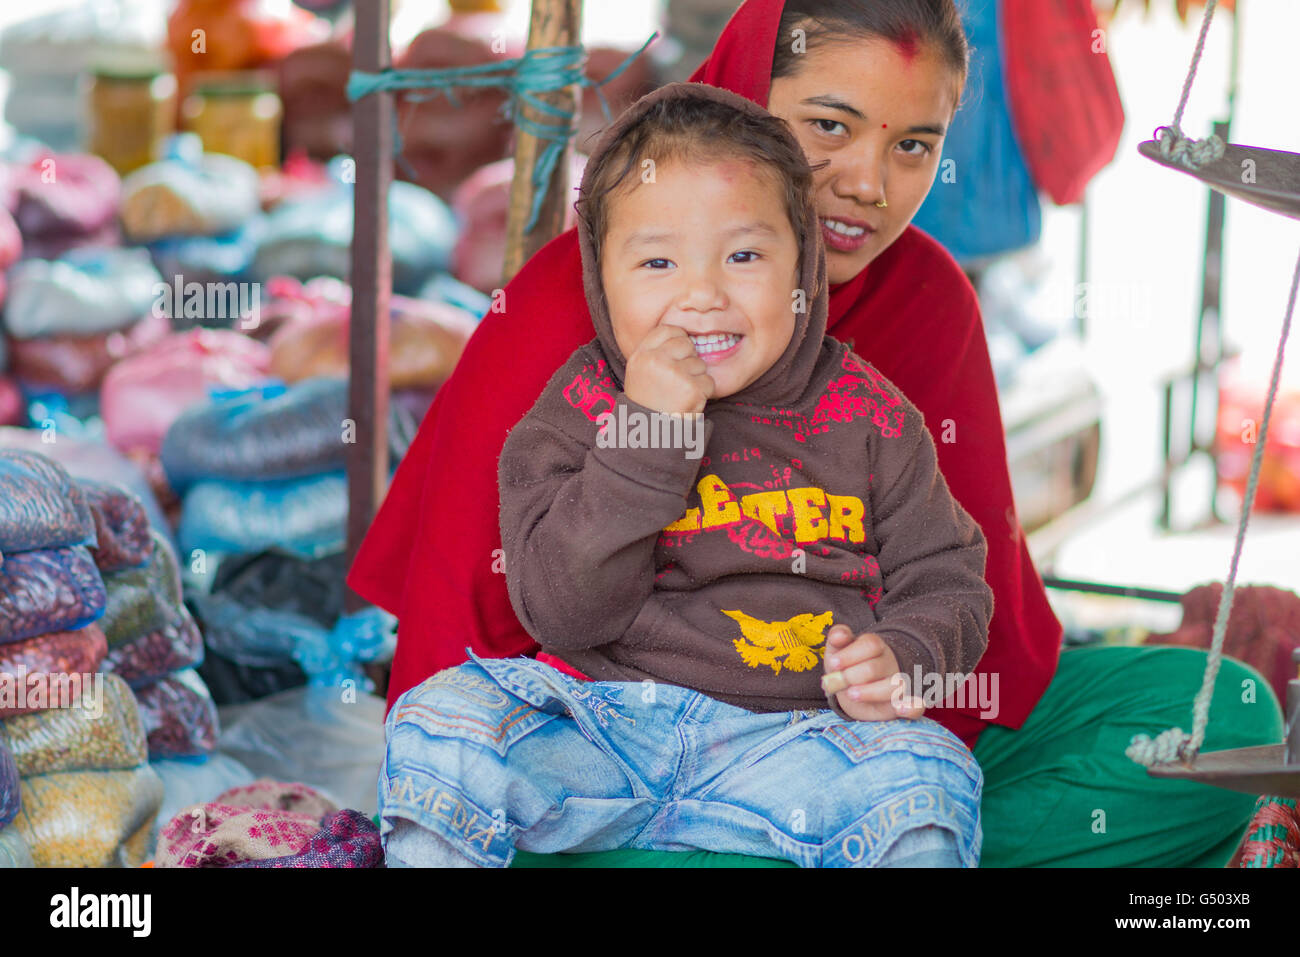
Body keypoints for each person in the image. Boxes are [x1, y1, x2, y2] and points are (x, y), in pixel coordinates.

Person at [351, 0, 1282, 868]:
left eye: (914, 145)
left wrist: (895, 682)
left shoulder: (925, 302)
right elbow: (473, 653)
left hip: (830, 753)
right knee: (463, 742)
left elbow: (958, 596)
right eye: (829, 127)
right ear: (740, 107)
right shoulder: (573, 309)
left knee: (1218, 720)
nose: (869, 184)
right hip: (608, 755)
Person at [379, 81, 991, 868]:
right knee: (439, 725)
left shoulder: (871, 416)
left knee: (926, 780)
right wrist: (650, 432)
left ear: (803, 266)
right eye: (658, 260)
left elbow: (950, 577)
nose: (702, 296)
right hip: (598, 727)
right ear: (602, 280)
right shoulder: (576, 406)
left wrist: (904, 653)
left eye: (744, 255)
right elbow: (565, 611)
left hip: (797, 743)